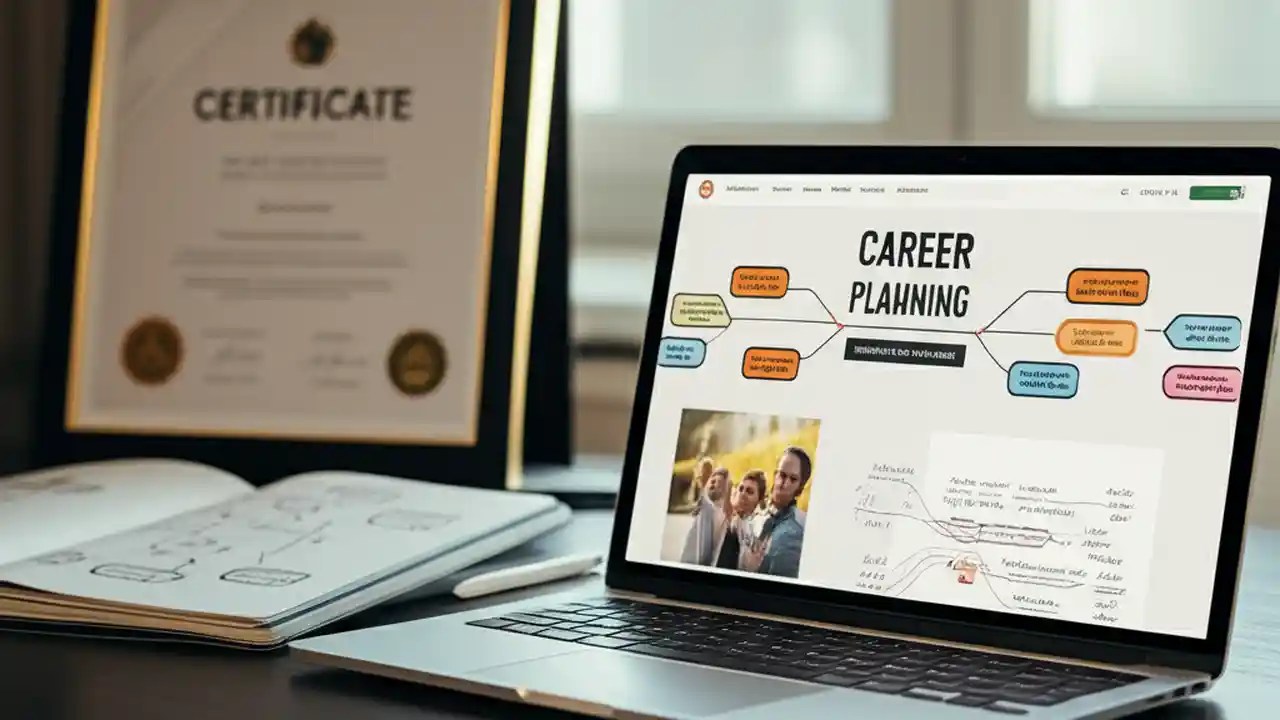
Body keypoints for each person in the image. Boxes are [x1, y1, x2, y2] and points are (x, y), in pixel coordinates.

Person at [742, 446, 812, 578]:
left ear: (800, 487)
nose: (784, 483)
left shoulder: (794, 532)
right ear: (775, 475)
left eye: (793, 479)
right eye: (782, 475)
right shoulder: (757, 514)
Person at [713, 469, 767, 570]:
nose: (743, 494)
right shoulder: (734, 518)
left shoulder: (758, 527)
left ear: (759, 500)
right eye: (741, 489)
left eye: (749, 492)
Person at [679, 461, 730, 565]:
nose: (713, 483)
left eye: (718, 482)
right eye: (713, 480)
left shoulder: (716, 511)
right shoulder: (704, 504)